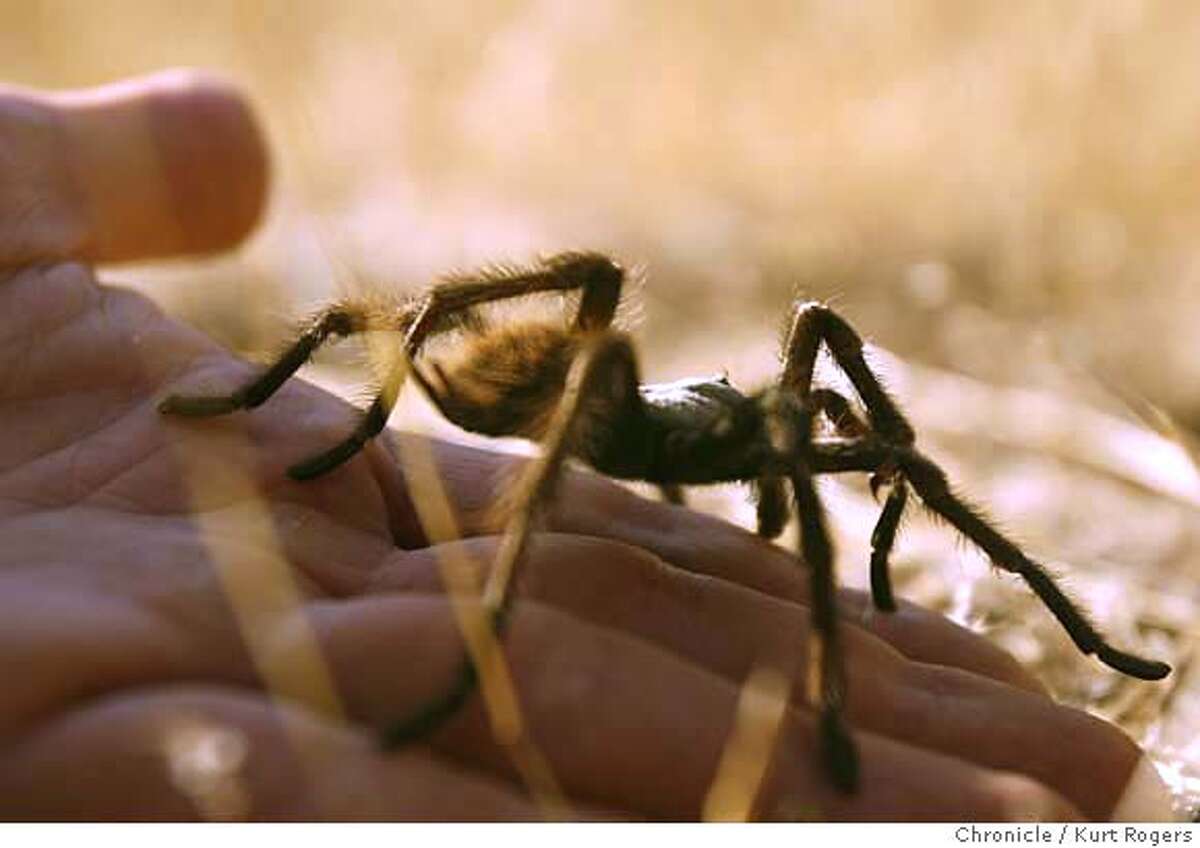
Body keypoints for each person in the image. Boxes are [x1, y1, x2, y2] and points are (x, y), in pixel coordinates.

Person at [0, 71, 1171, 821]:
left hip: (585, 406)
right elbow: (587, 341)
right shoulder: (624, 388)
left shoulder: (748, 416)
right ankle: (533, 629)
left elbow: (836, 418)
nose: (810, 432)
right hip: (550, 397)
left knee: (820, 346)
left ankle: (1075, 628)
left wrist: (882, 475)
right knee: (653, 317)